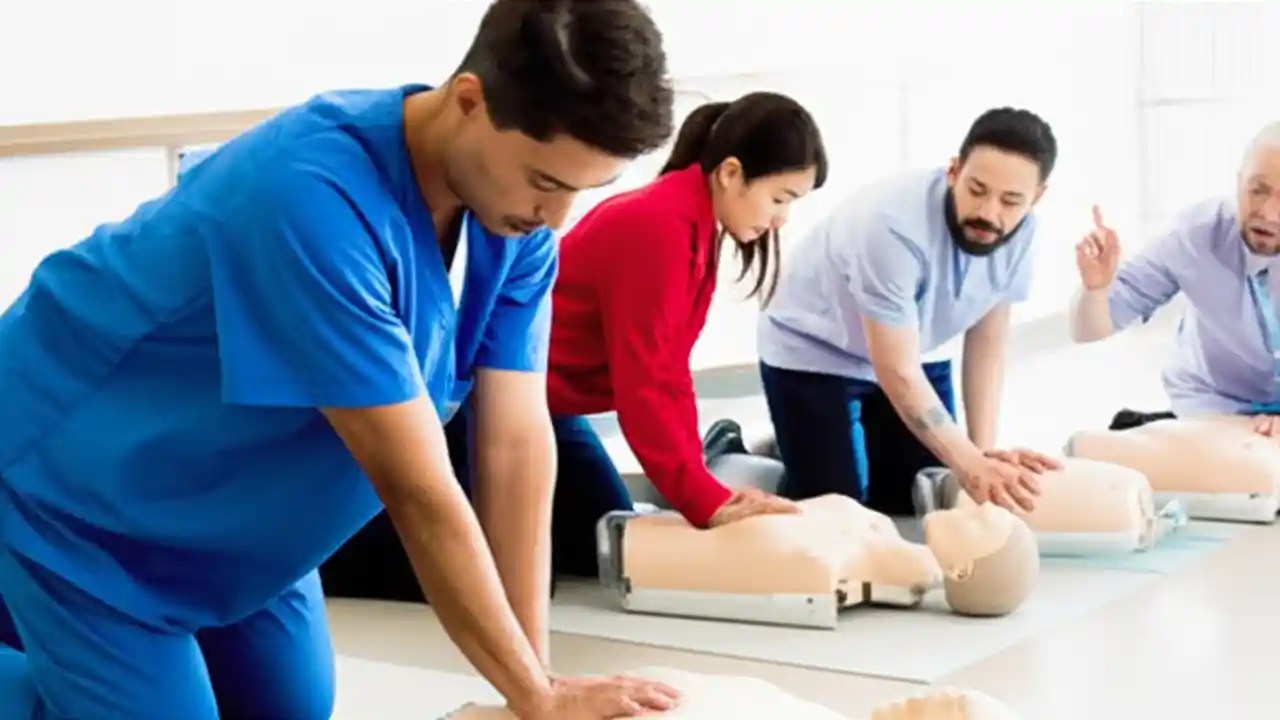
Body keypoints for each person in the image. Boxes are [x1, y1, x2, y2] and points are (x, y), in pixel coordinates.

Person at [0, 1, 684, 718]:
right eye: (547, 182)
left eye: (582, 189)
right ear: (469, 102)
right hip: (86, 503)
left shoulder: (509, 219)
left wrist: (534, 683)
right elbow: (418, 489)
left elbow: (514, 443)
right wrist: (536, 695)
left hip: (244, 517)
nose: (558, 217)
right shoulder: (310, 196)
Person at [543, 91, 829, 576]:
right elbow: (645, 387)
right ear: (731, 173)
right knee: (585, 552)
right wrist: (704, 499)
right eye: (780, 199)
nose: (782, 219)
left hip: (552, 409)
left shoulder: (695, 226)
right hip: (492, 399)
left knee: (598, 539)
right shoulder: (658, 226)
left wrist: (699, 483)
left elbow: (669, 372)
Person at [755, 108, 1062, 519]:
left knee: (924, 496)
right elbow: (894, 369)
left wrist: (981, 453)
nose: (989, 212)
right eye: (977, 189)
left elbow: (987, 343)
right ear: (953, 171)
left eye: (1010, 200)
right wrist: (970, 464)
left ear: (1037, 197)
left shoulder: (1022, 233)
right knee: (839, 510)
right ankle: (755, 460)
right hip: (816, 350)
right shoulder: (892, 225)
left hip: (913, 349)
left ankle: (804, 445)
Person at [1070, 120, 1280, 436]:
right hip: (1215, 409)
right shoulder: (1196, 234)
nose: (1268, 213)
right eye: (1257, 189)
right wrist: (1095, 288)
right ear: (1238, 183)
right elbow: (1088, 330)